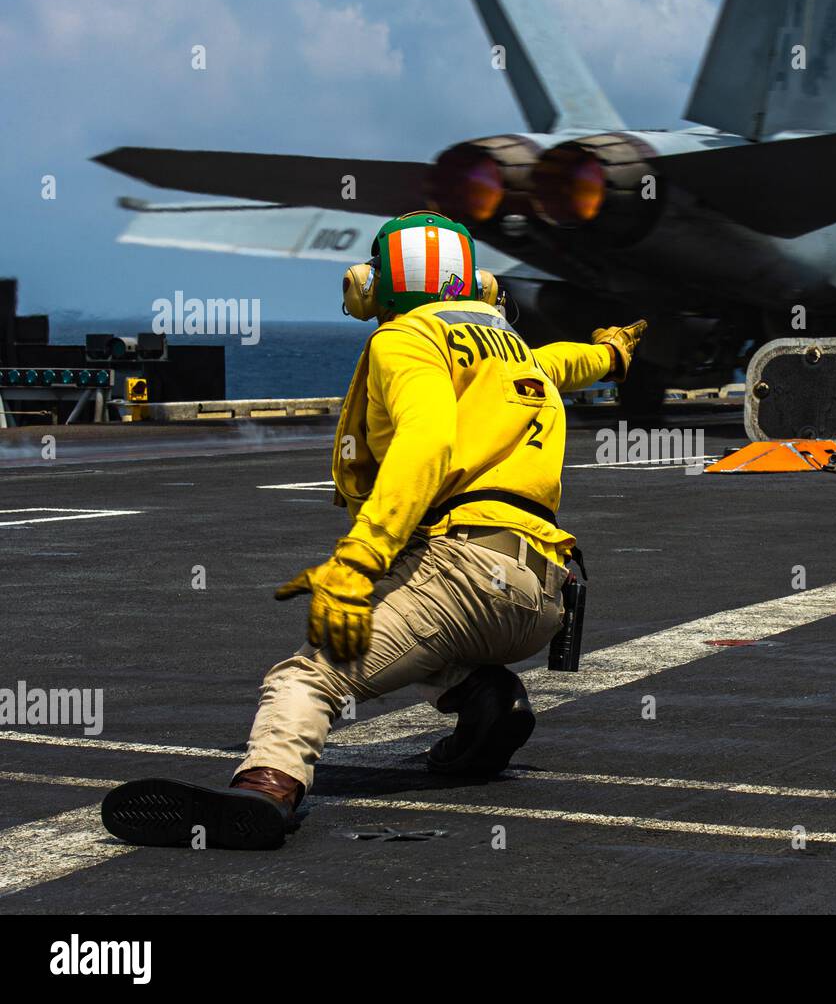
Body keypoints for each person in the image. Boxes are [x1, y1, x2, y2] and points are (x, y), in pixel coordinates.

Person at [101, 211, 648, 849]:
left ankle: (265, 792)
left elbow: (427, 439)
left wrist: (360, 556)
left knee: (307, 677)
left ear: (375, 284)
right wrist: (612, 352)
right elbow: (568, 362)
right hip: (541, 593)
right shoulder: (516, 354)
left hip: (461, 574)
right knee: (424, 633)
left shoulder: (406, 339)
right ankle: (488, 702)